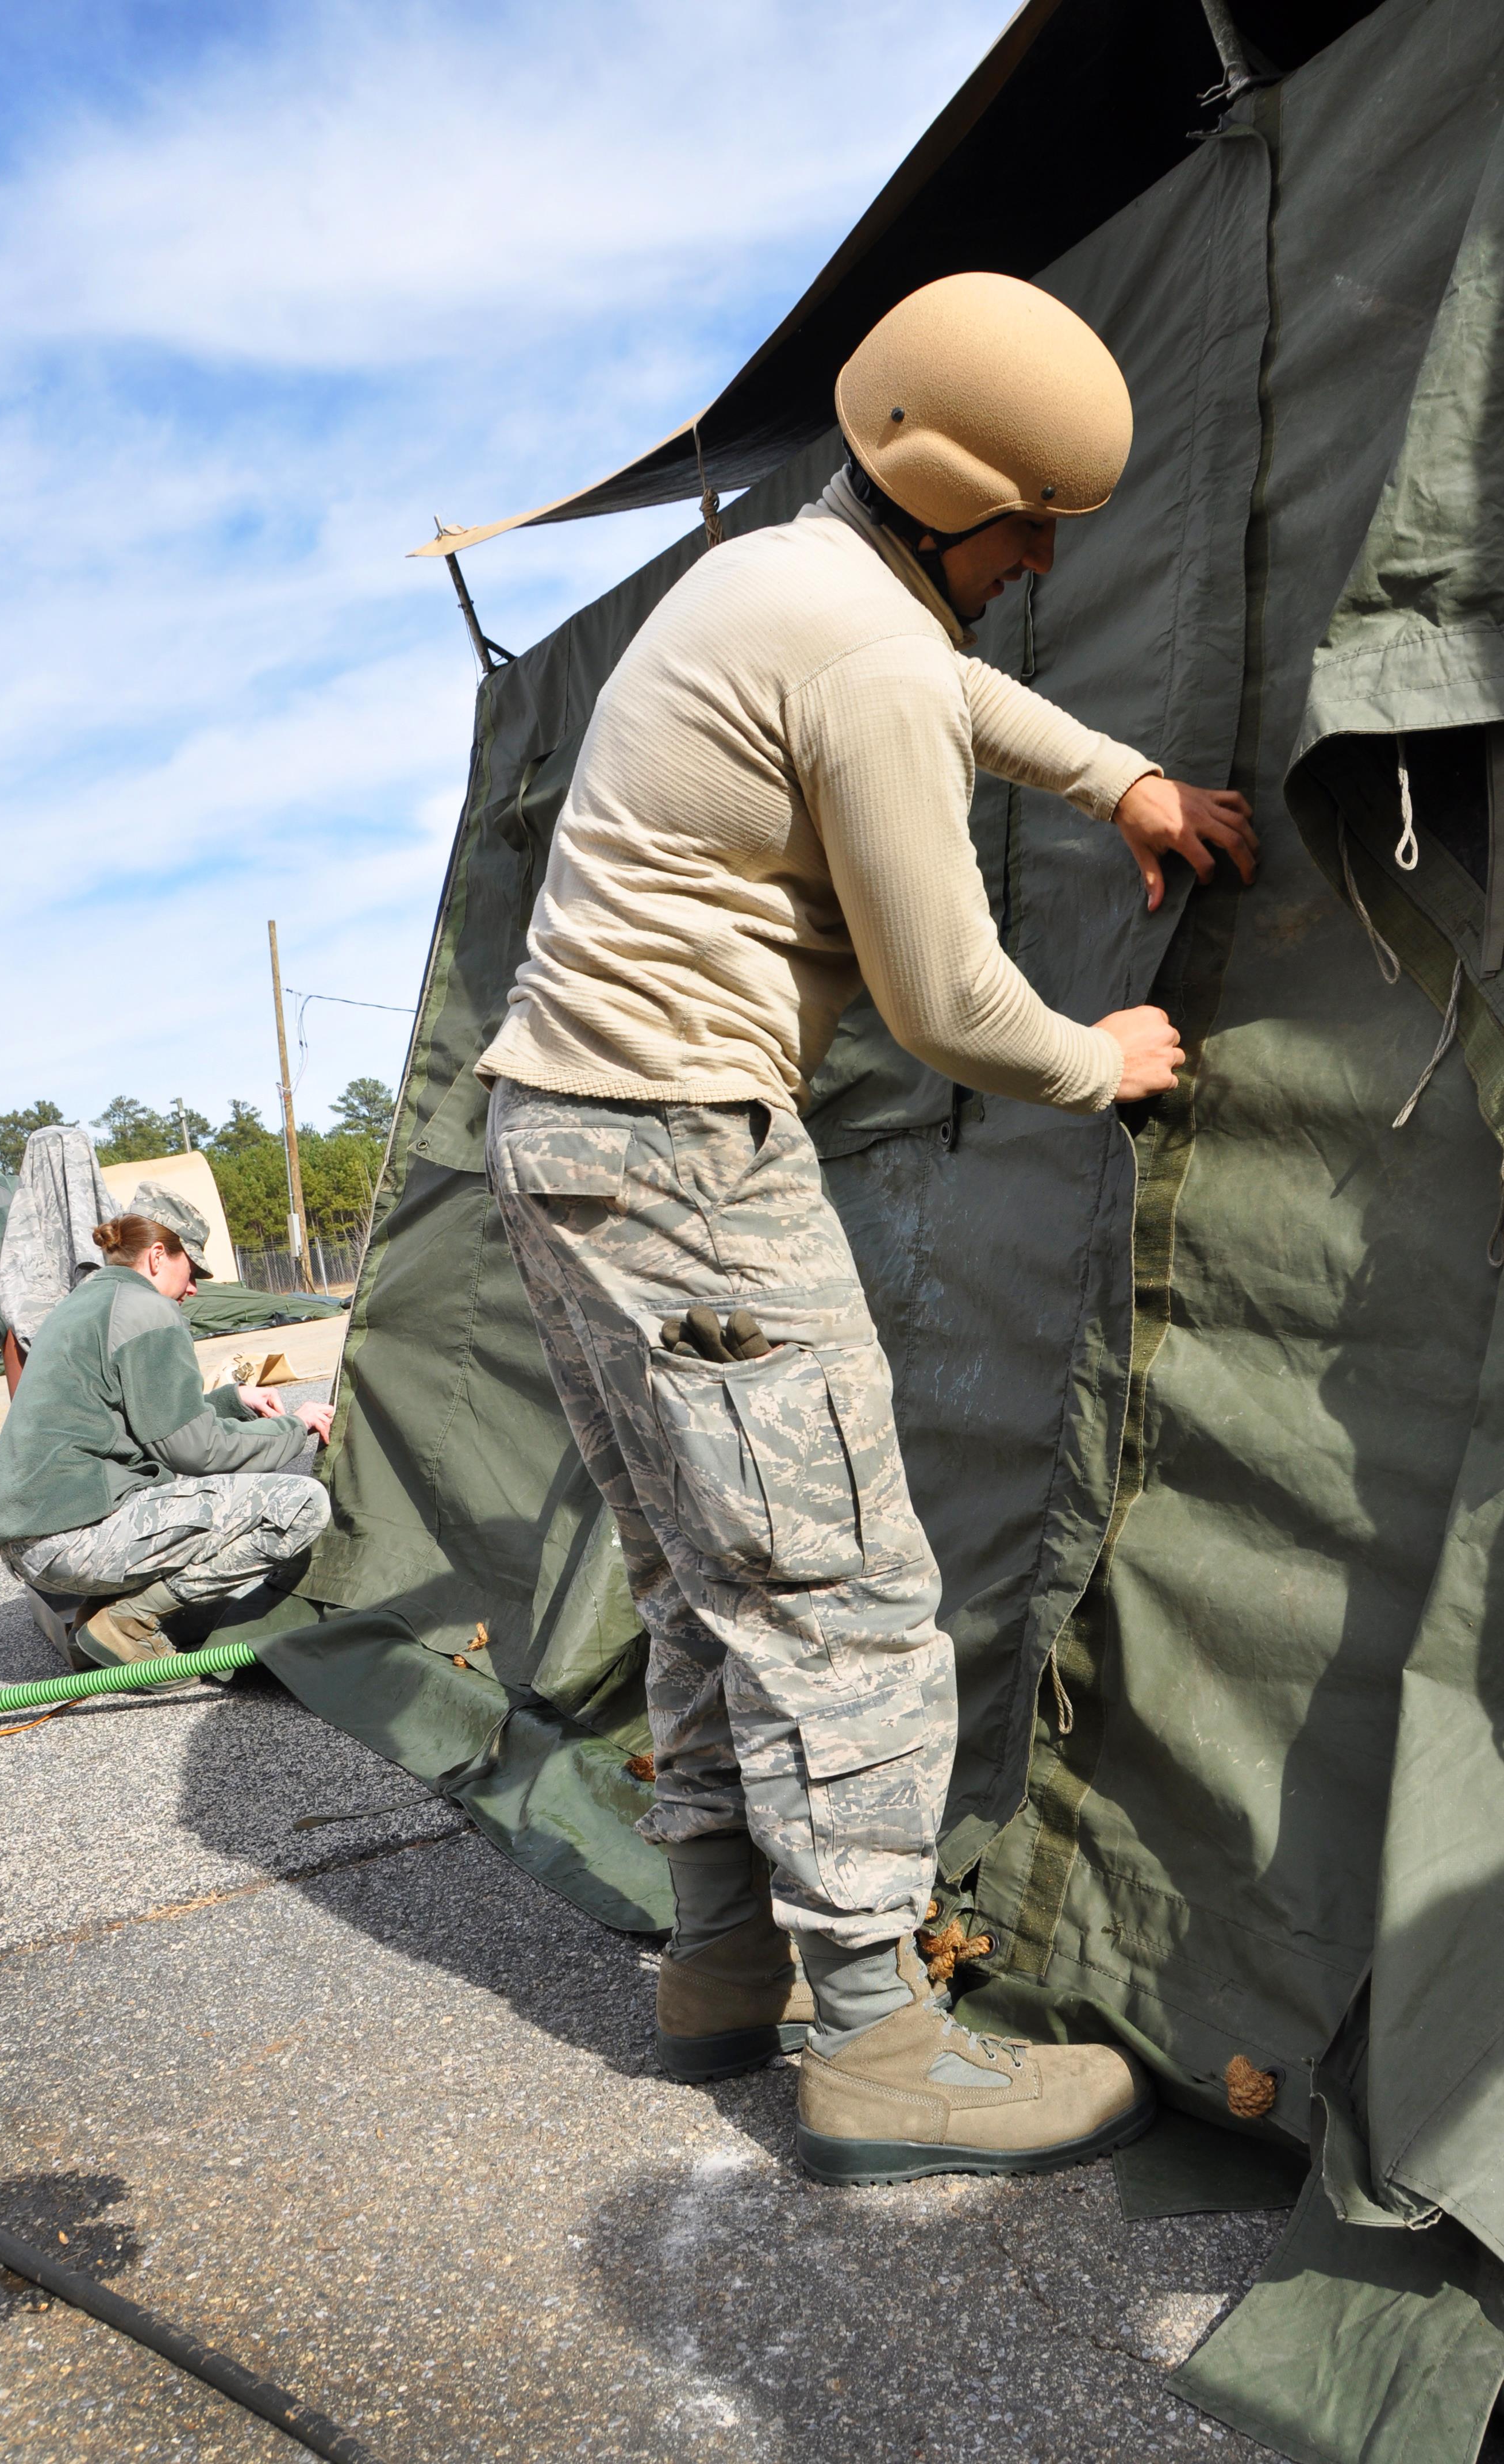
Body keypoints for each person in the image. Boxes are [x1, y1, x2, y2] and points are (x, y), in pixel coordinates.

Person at [477, 271, 1258, 2186]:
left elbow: (948, 689)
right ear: (941, 488)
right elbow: (941, 1000)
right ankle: (872, 2040)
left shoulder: (784, 577)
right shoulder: (864, 653)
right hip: (682, 1149)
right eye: (1032, 523)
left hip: (562, 1131)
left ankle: (724, 1959)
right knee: (843, 1597)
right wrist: (1100, 1054)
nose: (1043, 558)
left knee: (705, 1577)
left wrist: (1116, 776)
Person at [0, 1188, 333, 1667]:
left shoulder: (87, 1302)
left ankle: (102, 1611)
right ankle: (128, 1621)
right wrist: (296, 1426)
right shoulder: (147, 1310)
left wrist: (232, 1401)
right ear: (156, 1256)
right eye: (192, 1268)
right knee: (300, 1506)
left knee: (188, 1493)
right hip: (73, 1539)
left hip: (36, 1540)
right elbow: (196, 1451)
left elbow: (137, 1417)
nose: (194, 1288)